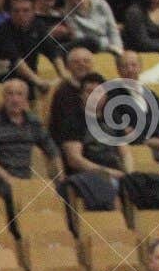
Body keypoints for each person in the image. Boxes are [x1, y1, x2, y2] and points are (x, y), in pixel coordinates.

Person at [0, 78, 60, 208]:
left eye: (19, 94)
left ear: (25, 99)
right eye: (10, 94)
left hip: (25, 180)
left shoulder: (33, 121)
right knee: (20, 198)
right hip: (0, 181)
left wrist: (60, 176)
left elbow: (52, 150)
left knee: (55, 195)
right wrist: (9, 179)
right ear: (4, 97)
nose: (15, 99)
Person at [54, 72, 125, 210]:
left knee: (147, 186)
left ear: (105, 96)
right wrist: (109, 173)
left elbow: (125, 153)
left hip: (115, 172)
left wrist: (128, 174)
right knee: (109, 185)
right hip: (87, 175)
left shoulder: (113, 118)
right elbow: (75, 160)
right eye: (89, 92)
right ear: (81, 95)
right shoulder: (73, 121)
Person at [0, 0, 65, 95]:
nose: (20, 14)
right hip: (5, 81)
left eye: (25, 10)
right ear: (10, 13)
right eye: (16, 11)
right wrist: (38, 81)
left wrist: (63, 74)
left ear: (33, 12)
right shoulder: (2, 30)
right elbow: (16, 61)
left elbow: (52, 51)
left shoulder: (38, 25)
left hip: (29, 78)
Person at [57, 0, 122, 56]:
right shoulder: (68, 11)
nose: (75, 3)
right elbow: (79, 38)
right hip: (88, 48)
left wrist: (117, 48)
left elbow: (112, 29)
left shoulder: (101, 4)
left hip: (110, 46)